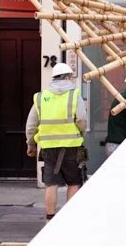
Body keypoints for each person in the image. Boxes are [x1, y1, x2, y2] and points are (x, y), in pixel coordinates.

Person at [26, 63, 88, 222]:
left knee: (51, 184)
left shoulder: (40, 97)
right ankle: (70, 219)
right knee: (74, 182)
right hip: (72, 147)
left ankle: (50, 219)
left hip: (48, 148)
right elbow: (81, 119)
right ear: (68, 77)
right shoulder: (74, 95)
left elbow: (31, 124)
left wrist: (30, 144)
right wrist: (81, 134)